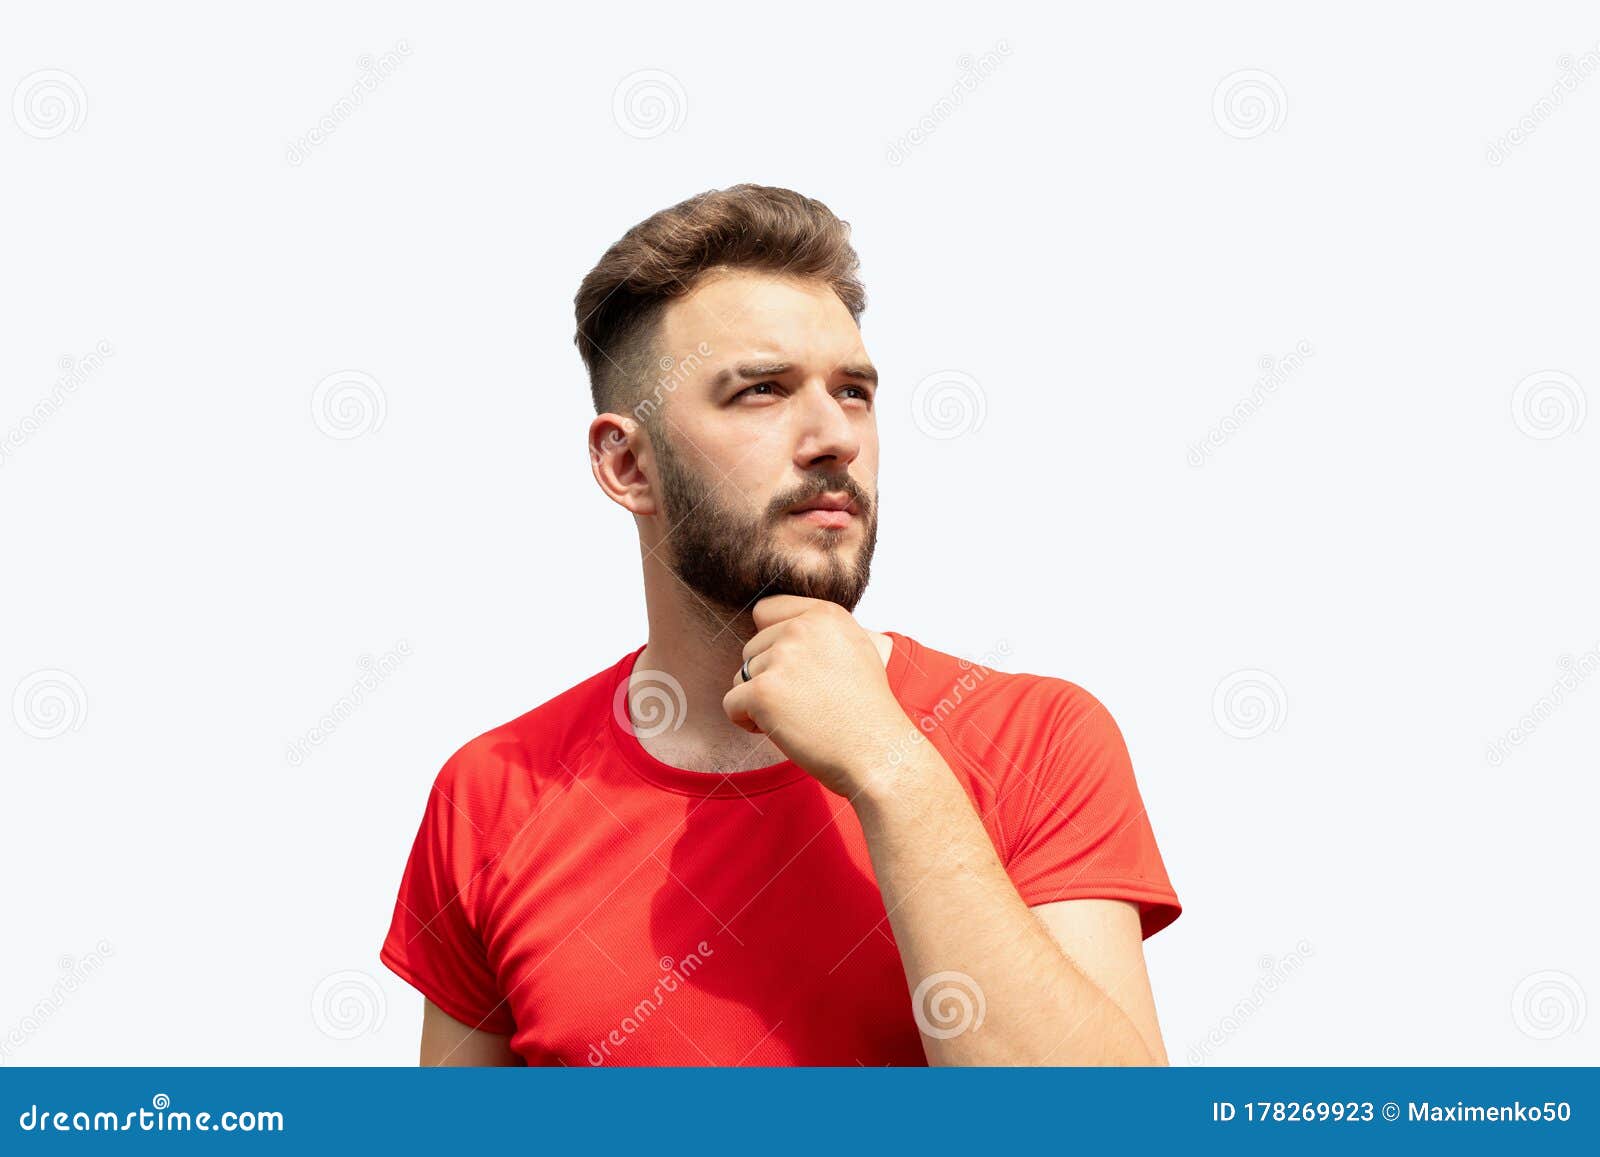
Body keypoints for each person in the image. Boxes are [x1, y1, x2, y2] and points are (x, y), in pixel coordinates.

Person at [380, 184, 1181, 1066]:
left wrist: (889, 765)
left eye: (854, 391)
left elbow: (1110, 1125)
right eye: (762, 391)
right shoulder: (494, 794)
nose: (836, 436)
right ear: (628, 464)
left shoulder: (1038, 741)